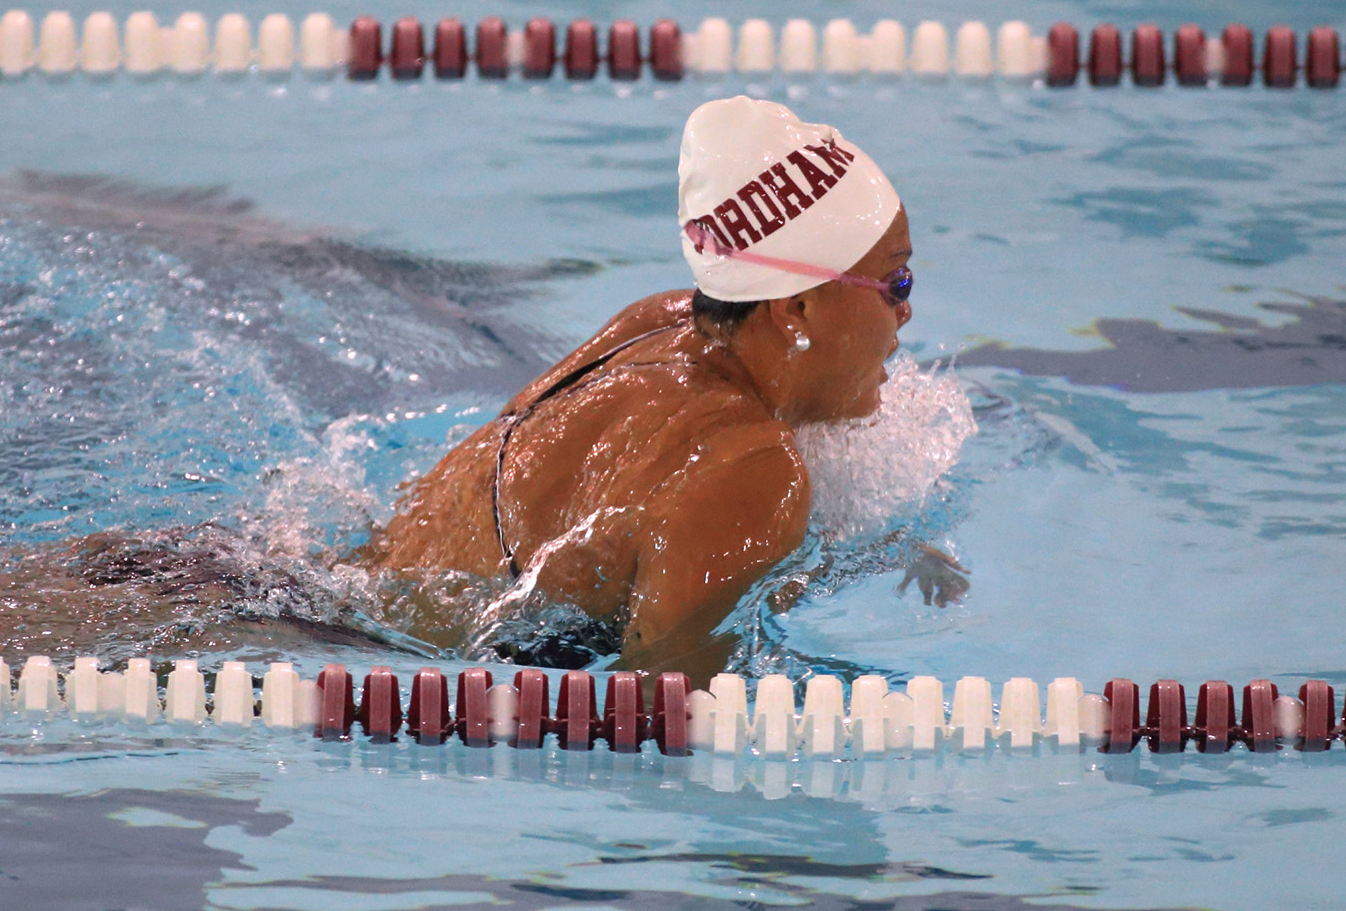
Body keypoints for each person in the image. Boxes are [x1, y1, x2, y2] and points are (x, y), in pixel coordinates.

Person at [360, 96, 966, 675]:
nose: (906, 312)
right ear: (797, 310)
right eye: (897, 283)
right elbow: (663, 723)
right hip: (380, 665)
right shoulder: (753, 471)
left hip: (340, 593)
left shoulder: (656, 321)